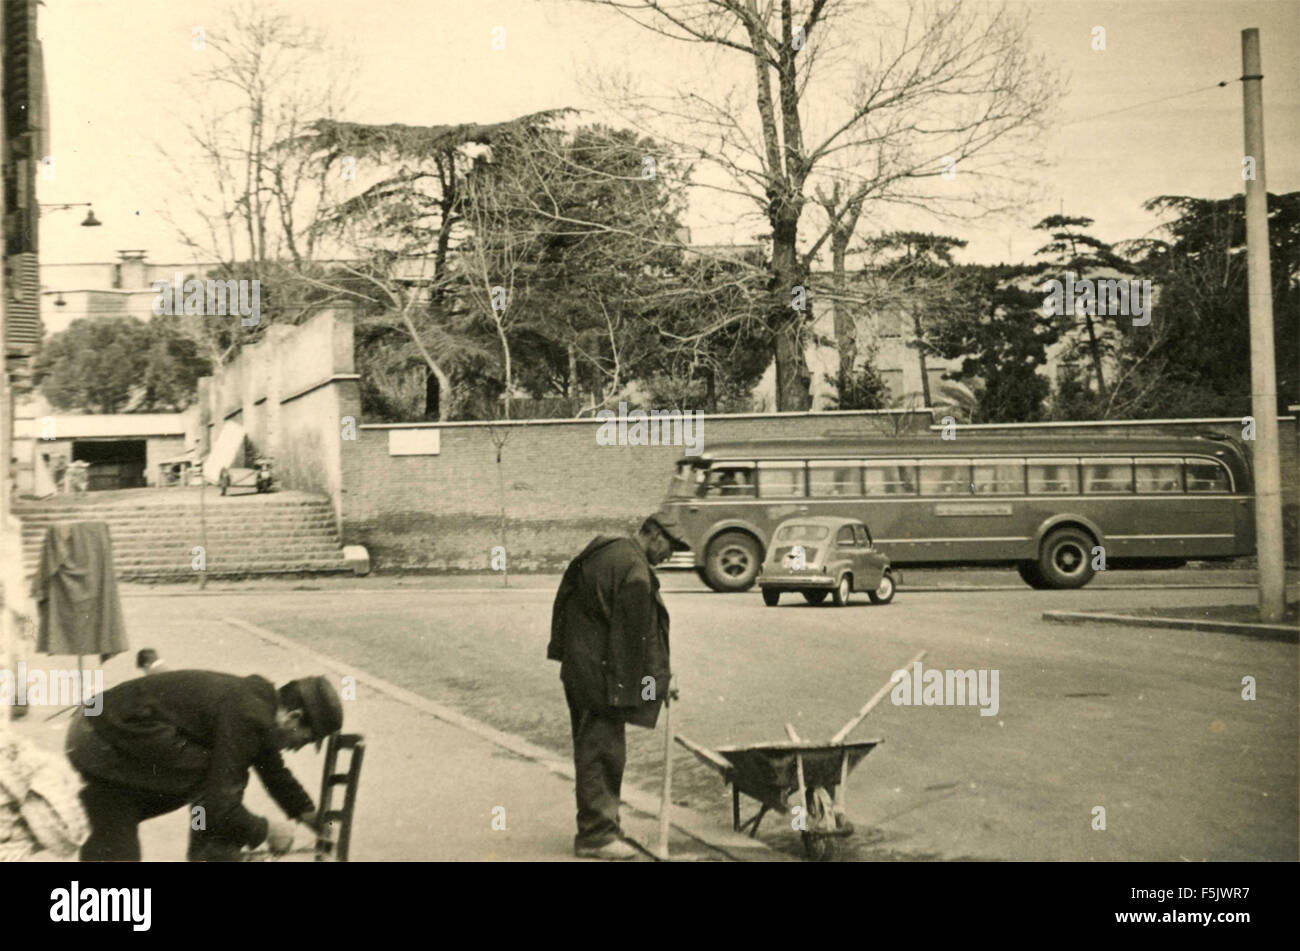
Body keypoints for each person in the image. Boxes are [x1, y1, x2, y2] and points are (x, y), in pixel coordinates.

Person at [65, 670, 342, 862]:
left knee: (208, 781)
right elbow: (218, 803)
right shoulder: (249, 714)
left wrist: (312, 817)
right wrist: (265, 831)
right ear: (293, 718)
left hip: (98, 728)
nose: (298, 748)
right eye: (306, 739)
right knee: (214, 781)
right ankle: (209, 856)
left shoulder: (259, 706)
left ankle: (108, 814)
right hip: (98, 737)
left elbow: (275, 773)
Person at [548, 513, 685, 860]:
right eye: (670, 546)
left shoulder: (607, 550)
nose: (671, 555)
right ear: (652, 534)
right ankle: (597, 836)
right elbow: (635, 647)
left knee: (593, 750)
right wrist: (657, 688)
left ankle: (603, 826)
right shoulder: (636, 573)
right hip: (600, 679)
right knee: (603, 755)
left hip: (580, 671)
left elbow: (565, 596)